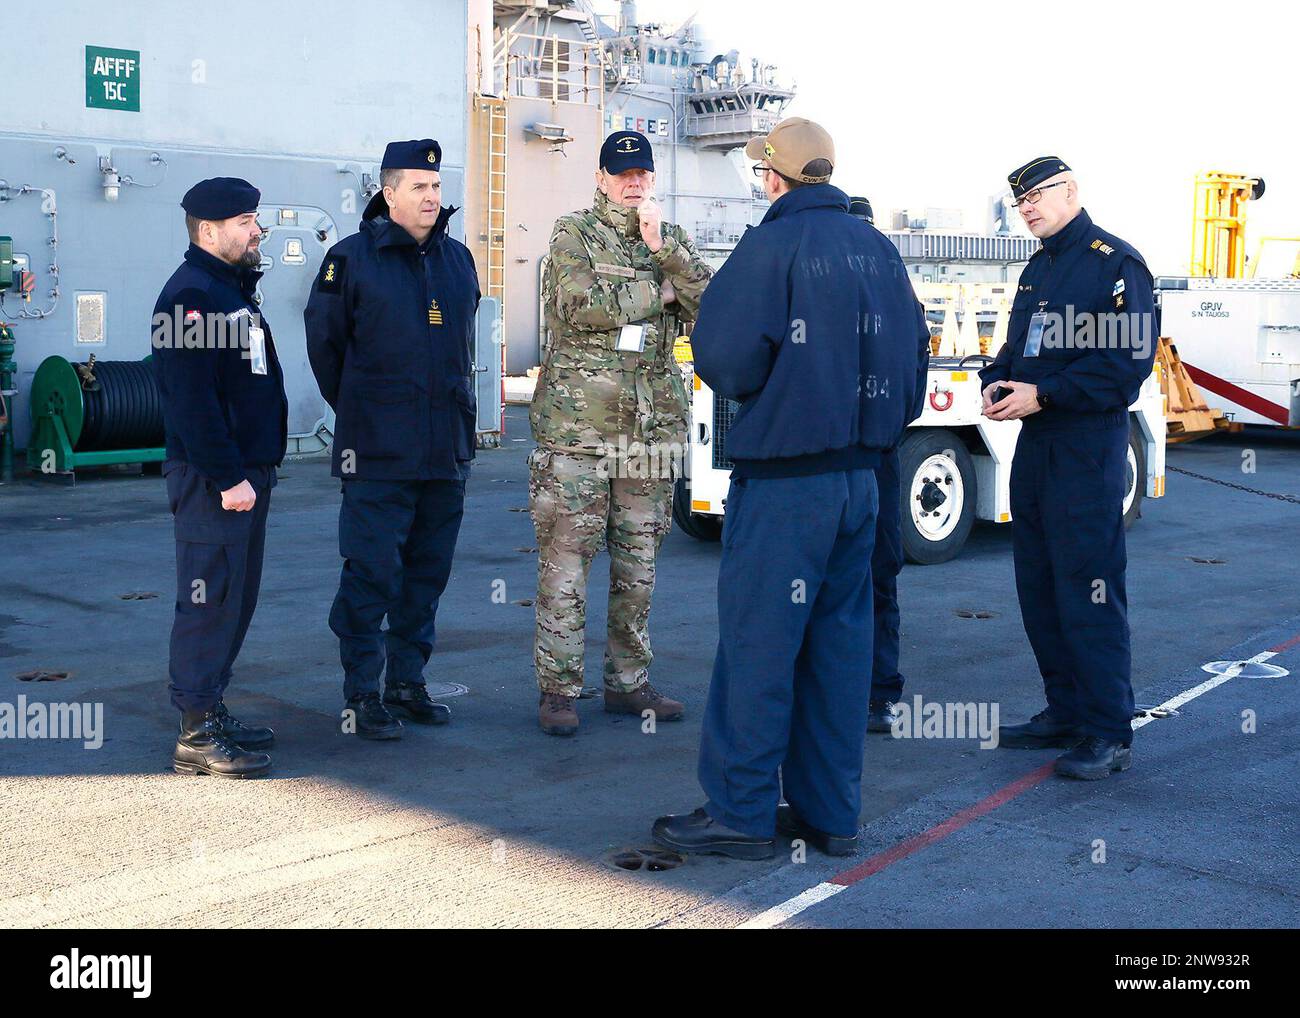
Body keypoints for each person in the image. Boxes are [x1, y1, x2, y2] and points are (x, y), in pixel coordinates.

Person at [652, 119, 930, 859]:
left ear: (772, 177)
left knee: (759, 649)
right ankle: (831, 814)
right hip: (861, 484)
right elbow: (913, 370)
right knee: (840, 655)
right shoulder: (879, 249)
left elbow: (724, 357)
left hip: (784, 490)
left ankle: (742, 814)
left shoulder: (771, 245)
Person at [529, 129, 713, 737]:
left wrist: (665, 255)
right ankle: (559, 690)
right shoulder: (573, 232)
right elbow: (581, 306)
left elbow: (709, 306)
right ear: (602, 178)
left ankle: (627, 683)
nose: (632, 183)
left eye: (642, 174)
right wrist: (657, 291)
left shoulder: (669, 238)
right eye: (621, 173)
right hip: (578, 432)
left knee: (639, 565)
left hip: (650, 431)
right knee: (566, 561)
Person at [979, 156, 1157, 780]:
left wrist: (1045, 394)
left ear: (1070, 192)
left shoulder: (1115, 264)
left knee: (1088, 587)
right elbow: (1014, 347)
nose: (1026, 206)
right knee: (1040, 585)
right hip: (1037, 445)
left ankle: (1108, 731)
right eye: (1019, 200)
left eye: (1037, 195)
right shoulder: (1038, 268)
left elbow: (1126, 367)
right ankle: (1065, 710)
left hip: (1086, 444)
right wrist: (996, 382)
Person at [305, 139, 480, 740]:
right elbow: (325, 351)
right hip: (376, 451)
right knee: (371, 572)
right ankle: (361, 693)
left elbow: (461, 347)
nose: (432, 198)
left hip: (444, 449)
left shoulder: (459, 261)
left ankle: (407, 683)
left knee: (426, 572)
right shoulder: (349, 260)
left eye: (436, 187)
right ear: (389, 193)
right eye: (418, 188)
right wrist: (363, 409)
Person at [153, 176, 287, 778]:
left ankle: (210, 706)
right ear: (208, 231)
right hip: (216, 479)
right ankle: (195, 733)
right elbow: (190, 402)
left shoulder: (228, 290)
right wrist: (230, 476)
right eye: (244, 221)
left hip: (242, 475)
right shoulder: (190, 297)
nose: (256, 230)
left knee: (235, 598)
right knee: (208, 599)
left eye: (254, 218)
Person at [848, 194, 906, 733]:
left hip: (862, 454)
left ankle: (877, 691)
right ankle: (873, 692)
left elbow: (914, 355)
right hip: (873, 453)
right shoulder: (890, 279)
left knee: (874, 573)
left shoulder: (885, 282)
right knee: (873, 573)